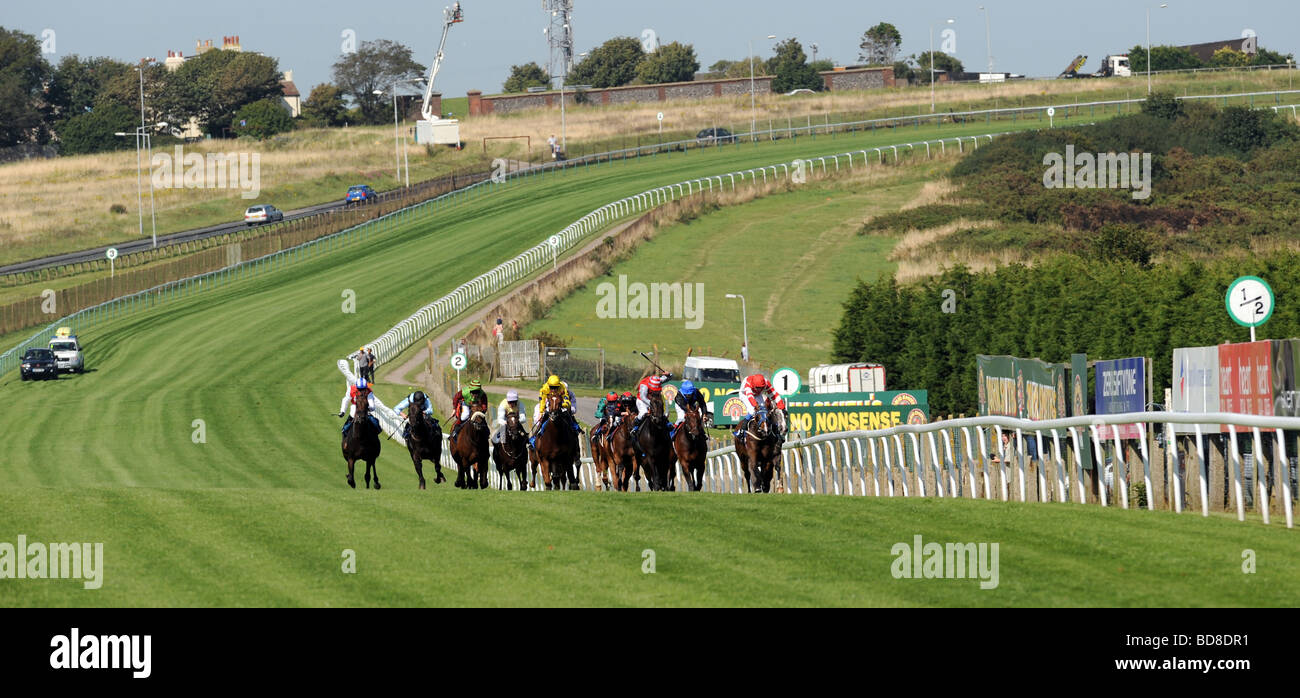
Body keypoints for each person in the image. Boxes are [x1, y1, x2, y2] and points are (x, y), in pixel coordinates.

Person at [531, 374, 582, 447]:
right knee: (542, 421)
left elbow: (570, 404)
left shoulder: (564, 389)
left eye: (556, 388)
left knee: (570, 419)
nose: (554, 390)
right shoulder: (545, 389)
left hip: (562, 408)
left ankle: (576, 433)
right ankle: (535, 436)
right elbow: (542, 402)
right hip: (549, 408)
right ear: (549, 386)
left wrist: (563, 405)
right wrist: (542, 411)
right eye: (552, 387)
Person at [631, 371, 672, 438]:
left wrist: (669, 374)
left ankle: (667, 424)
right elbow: (643, 397)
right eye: (653, 390)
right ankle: (635, 427)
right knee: (643, 413)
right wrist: (652, 404)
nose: (655, 391)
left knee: (661, 413)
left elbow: (669, 378)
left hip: (654, 400)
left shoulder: (658, 380)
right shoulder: (644, 385)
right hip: (642, 401)